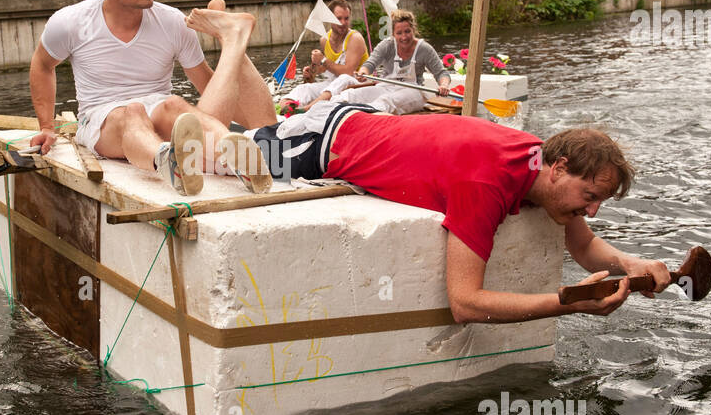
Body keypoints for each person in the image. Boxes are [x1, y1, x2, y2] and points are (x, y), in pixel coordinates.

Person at [249, 100, 672, 321]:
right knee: (215, 155)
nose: (593, 212)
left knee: (245, 130)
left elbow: (585, 248)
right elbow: (465, 304)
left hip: (372, 122)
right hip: (329, 141)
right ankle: (214, 69)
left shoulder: (539, 165)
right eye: (590, 197)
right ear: (560, 169)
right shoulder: (485, 185)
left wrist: (631, 264)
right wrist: (568, 305)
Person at [29, 0, 276, 195]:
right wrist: (46, 127)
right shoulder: (70, 22)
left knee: (176, 105)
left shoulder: (173, 22)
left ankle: (235, 152)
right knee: (132, 112)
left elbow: (208, 85)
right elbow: (42, 65)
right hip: (102, 117)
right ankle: (167, 162)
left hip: (158, 107)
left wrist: (259, 123)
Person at [301, 10, 452, 115]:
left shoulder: (424, 48)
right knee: (352, 95)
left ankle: (360, 119)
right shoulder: (387, 45)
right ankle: (320, 112)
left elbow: (441, 73)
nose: (404, 37)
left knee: (386, 101)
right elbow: (370, 64)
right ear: (393, 33)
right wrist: (363, 73)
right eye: (399, 33)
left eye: (407, 32)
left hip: (414, 91)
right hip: (386, 85)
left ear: (413, 30)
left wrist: (443, 85)